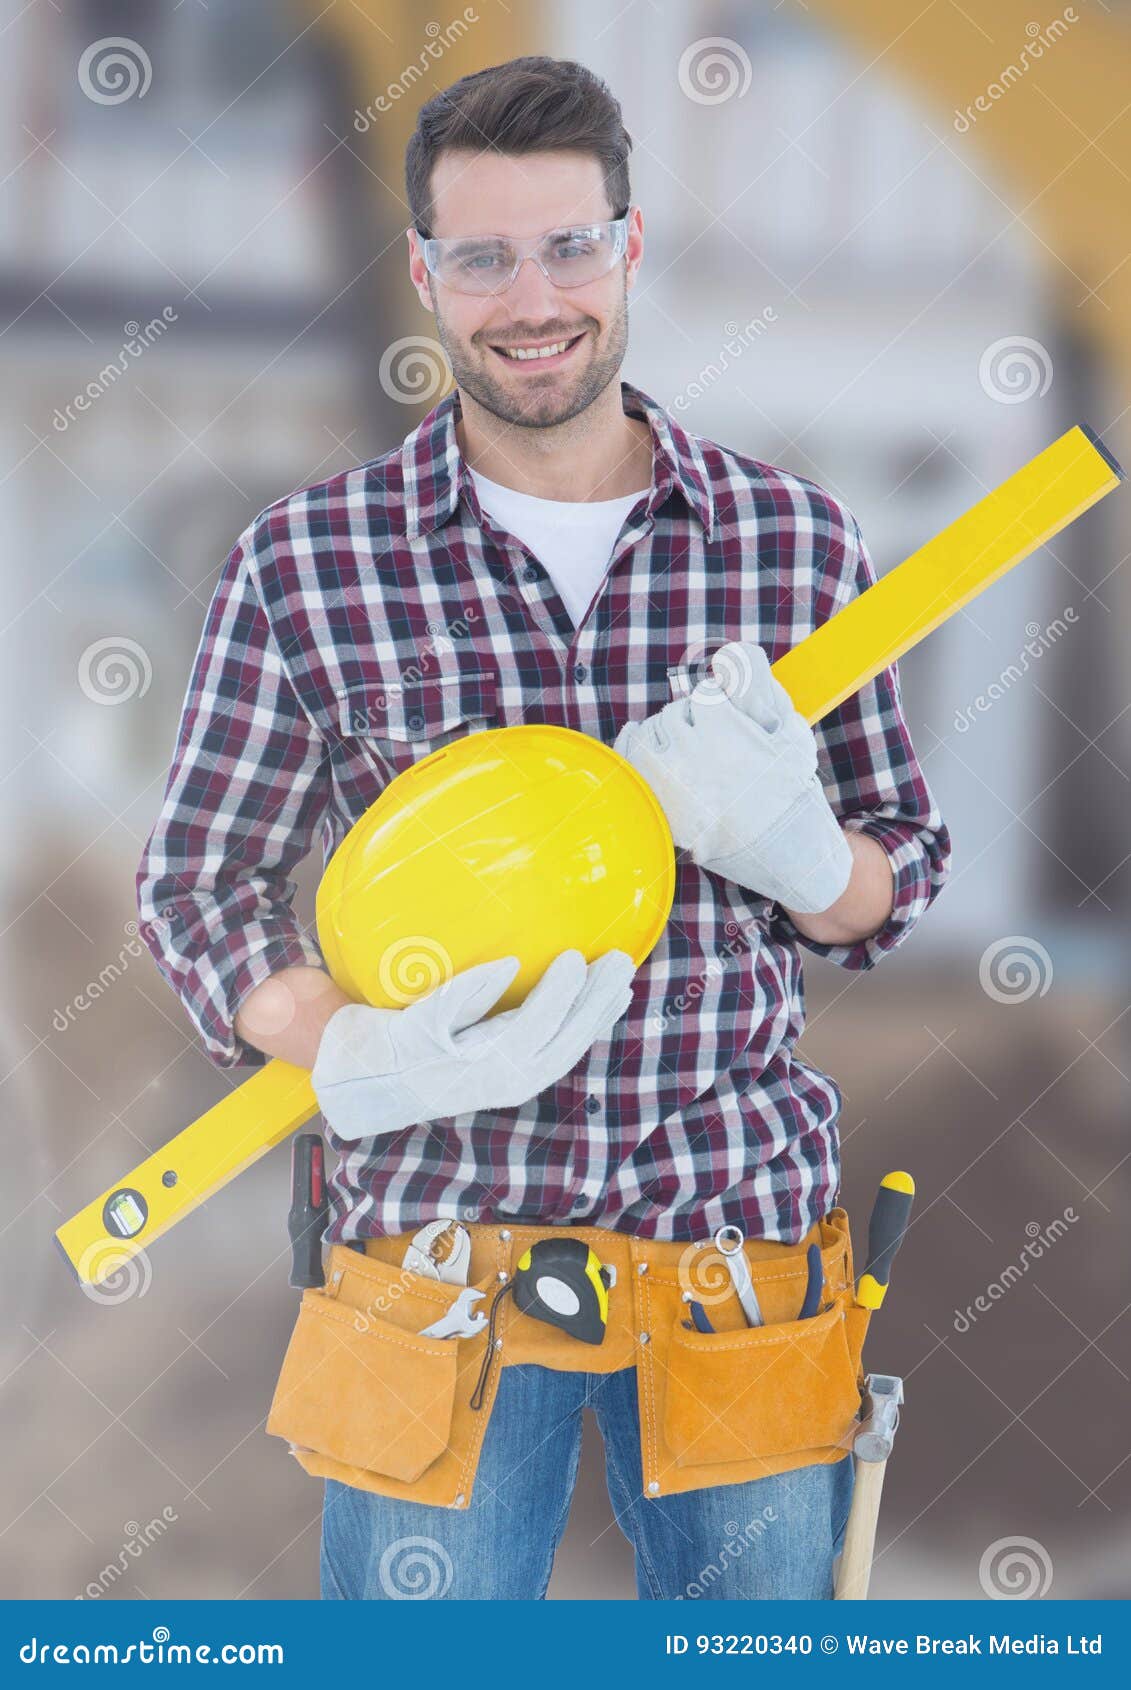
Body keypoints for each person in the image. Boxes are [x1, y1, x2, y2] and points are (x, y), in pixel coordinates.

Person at [137, 55, 950, 1601]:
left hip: (737, 1263)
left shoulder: (792, 543)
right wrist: (340, 1045)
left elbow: (893, 879)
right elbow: (197, 883)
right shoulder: (306, 562)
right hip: (434, 1279)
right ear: (428, 276)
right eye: (487, 256)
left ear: (630, 247)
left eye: (572, 244)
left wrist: (795, 853)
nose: (535, 294)